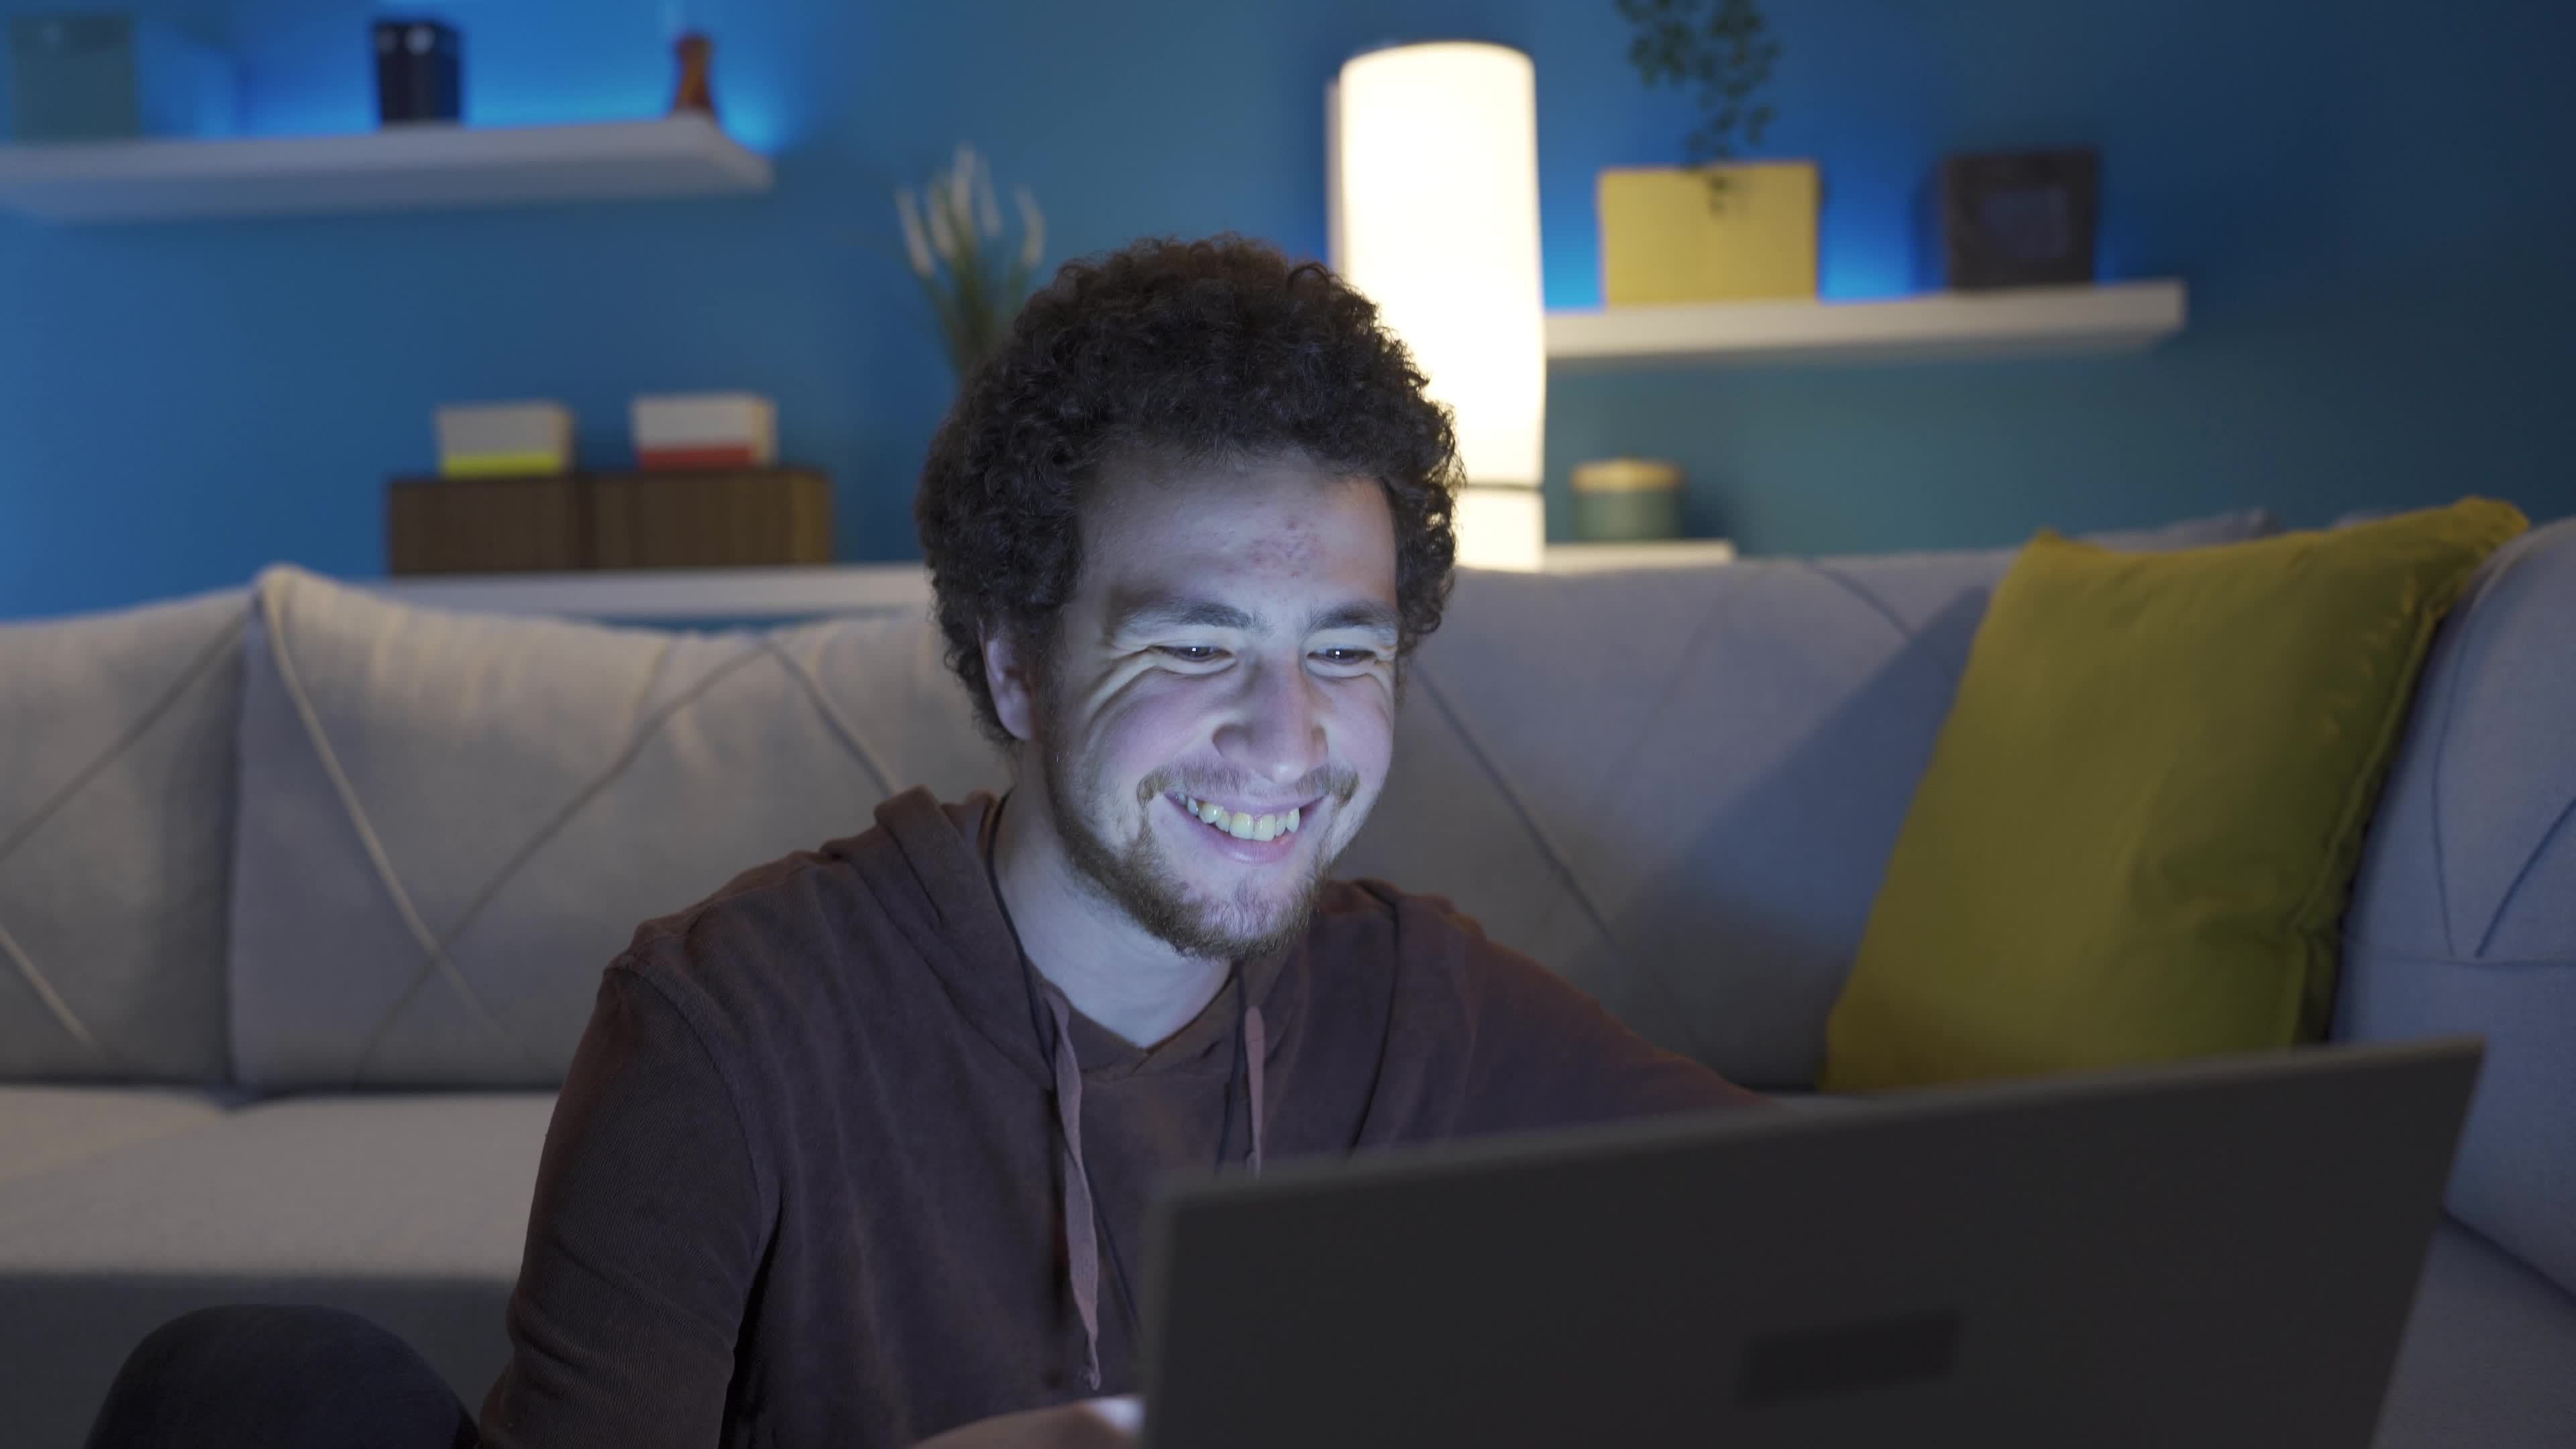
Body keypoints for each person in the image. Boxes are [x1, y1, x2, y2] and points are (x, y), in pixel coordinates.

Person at [87, 235, 1762, 1449]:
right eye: (1192, 649)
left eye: (1346, 649)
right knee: (259, 1384)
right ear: (1018, 666)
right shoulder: (727, 1029)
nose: (1291, 737)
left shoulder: (1425, 1011)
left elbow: (1877, 1236)